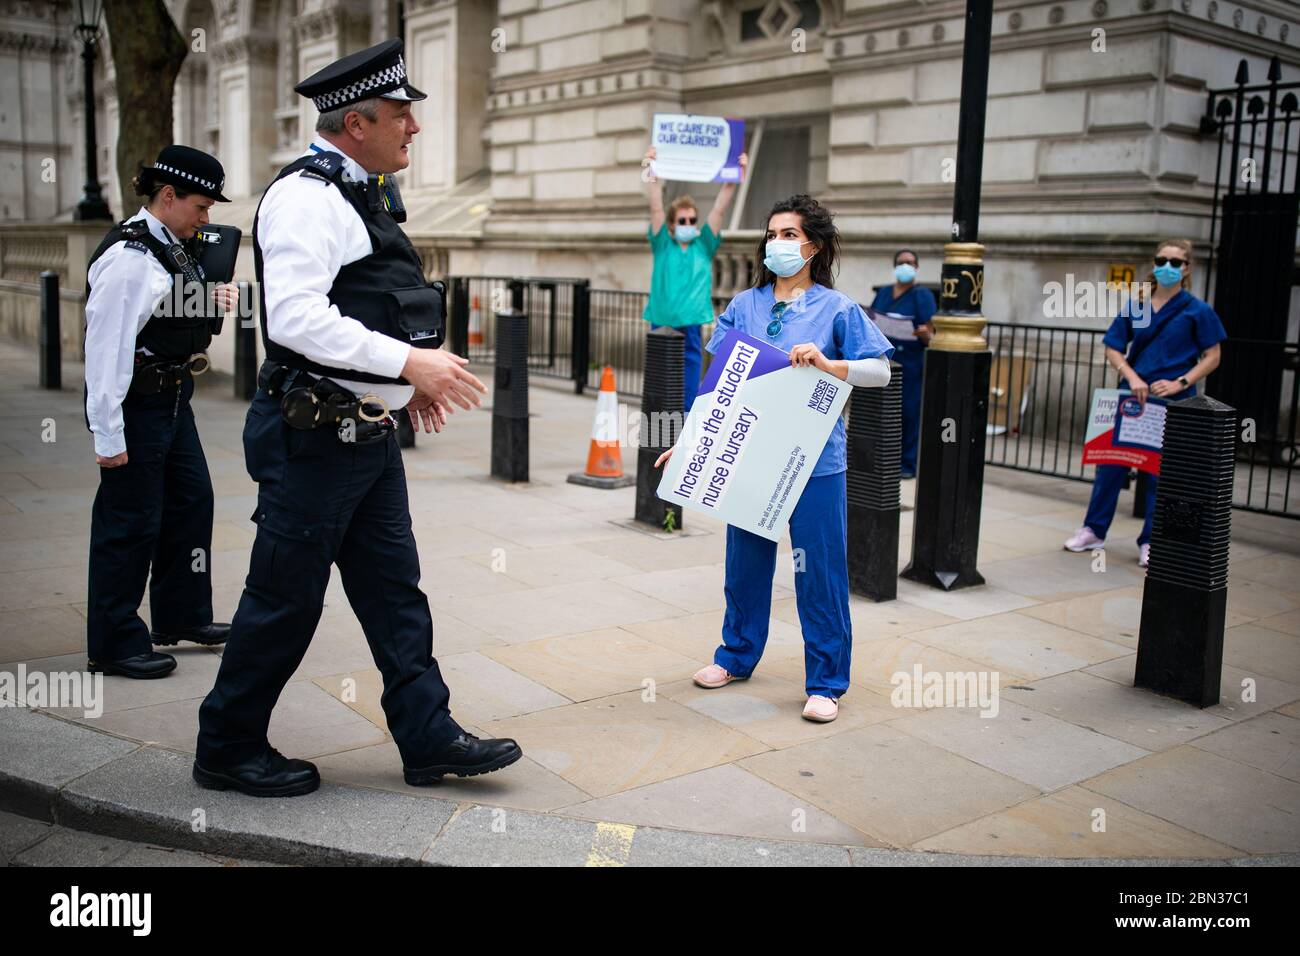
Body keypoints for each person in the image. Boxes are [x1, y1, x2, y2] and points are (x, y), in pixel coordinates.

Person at [195, 39, 521, 797]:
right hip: (312, 439)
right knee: (283, 599)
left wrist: (409, 389)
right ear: (356, 121)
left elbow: (369, 305)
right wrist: (411, 366)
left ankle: (426, 734)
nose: (413, 128)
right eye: (402, 115)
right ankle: (228, 744)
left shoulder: (360, 192)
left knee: (393, 591)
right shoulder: (307, 197)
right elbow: (299, 321)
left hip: (363, 432)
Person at [655, 195, 893, 723]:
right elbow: (719, 385)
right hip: (749, 455)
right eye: (772, 234)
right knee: (744, 563)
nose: (778, 244)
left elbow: (880, 372)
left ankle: (827, 682)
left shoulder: (839, 309)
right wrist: (692, 441)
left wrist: (831, 364)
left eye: (789, 235)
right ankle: (735, 655)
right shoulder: (745, 305)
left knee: (821, 571)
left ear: (814, 246)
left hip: (815, 463)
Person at [84, 145, 238, 679]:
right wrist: (108, 435)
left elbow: (169, 306)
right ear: (168, 196)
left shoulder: (173, 245)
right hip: (139, 405)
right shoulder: (129, 259)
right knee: (129, 522)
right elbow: (105, 349)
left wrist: (207, 300)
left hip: (175, 399)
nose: (207, 217)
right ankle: (113, 642)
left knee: (190, 504)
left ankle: (182, 614)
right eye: (201, 205)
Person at [1064, 238, 1225, 567]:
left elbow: (1213, 355)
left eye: (1175, 262)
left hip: (1174, 402)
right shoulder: (1137, 307)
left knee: (1159, 472)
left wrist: (1182, 381)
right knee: (1110, 466)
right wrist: (1133, 376)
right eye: (1162, 260)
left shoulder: (1197, 311)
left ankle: (1152, 540)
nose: (1167, 267)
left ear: (1187, 268)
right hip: (1131, 398)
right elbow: (1113, 346)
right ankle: (1094, 530)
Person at [642, 145, 747, 410]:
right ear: (671, 224)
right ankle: (657, 432)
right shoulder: (663, 244)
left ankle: (685, 431)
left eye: (692, 220)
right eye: (682, 220)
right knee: (659, 381)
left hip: (691, 324)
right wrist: (649, 169)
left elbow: (719, 210)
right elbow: (655, 207)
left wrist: (735, 175)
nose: (688, 225)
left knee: (689, 385)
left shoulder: (704, 246)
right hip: (662, 323)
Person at [869, 249, 936, 478]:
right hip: (886, 360)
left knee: (908, 413)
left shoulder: (922, 295)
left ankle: (907, 464)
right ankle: (881, 460)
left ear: (916, 268)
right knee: (882, 412)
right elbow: (873, 318)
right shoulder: (885, 293)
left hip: (911, 364)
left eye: (909, 263)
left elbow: (930, 332)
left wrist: (924, 333)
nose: (905, 266)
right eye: (901, 262)